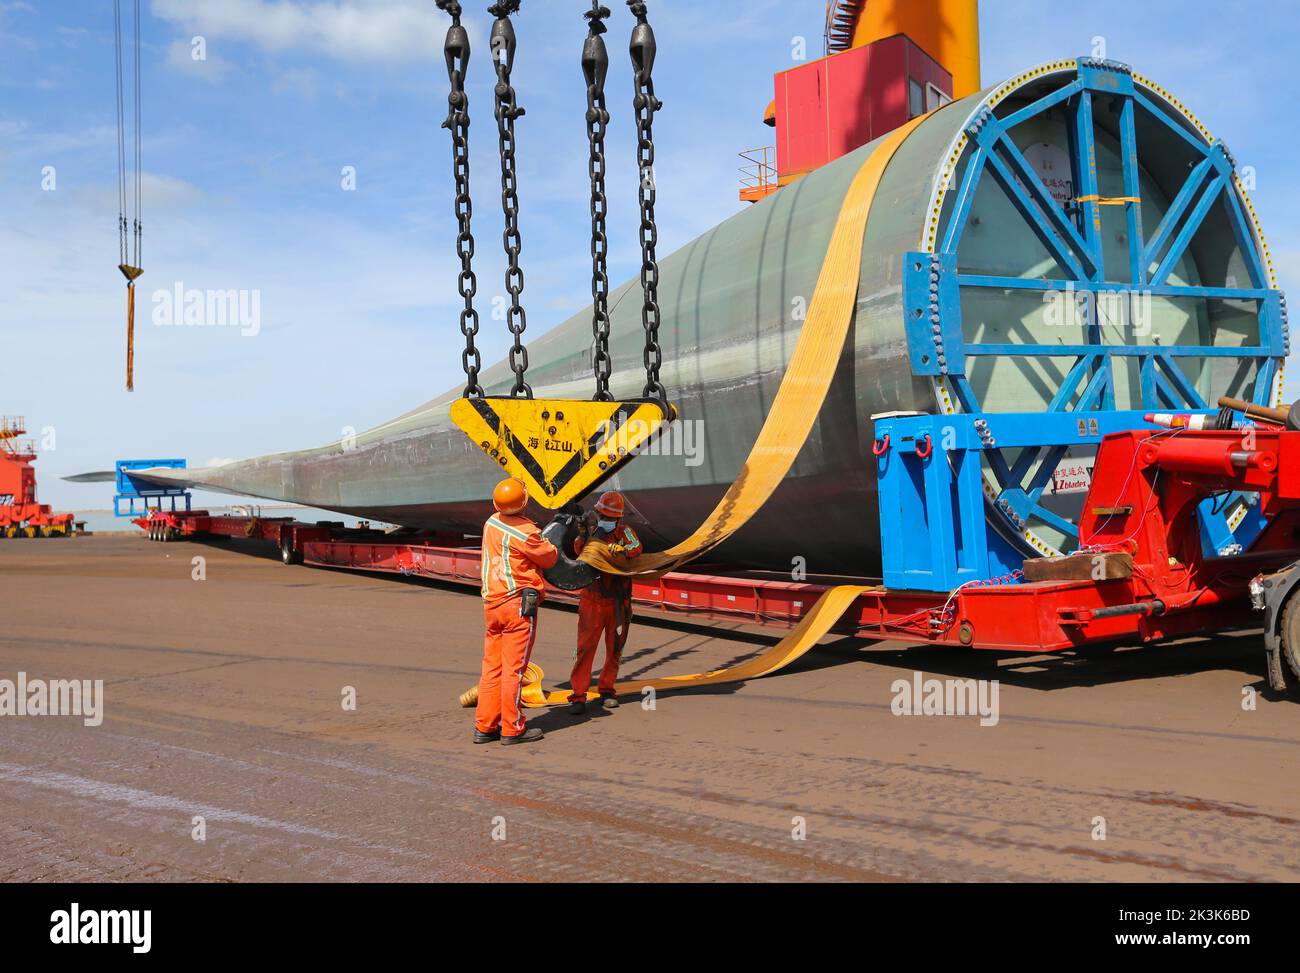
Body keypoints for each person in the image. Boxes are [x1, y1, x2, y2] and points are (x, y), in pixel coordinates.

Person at [474, 477, 558, 745]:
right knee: (514, 670)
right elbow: (550, 556)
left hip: (491, 605)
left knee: (492, 669)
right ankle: (512, 728)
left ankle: (485, 727)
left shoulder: (490, 523)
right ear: (524, 501)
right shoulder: (526, 532)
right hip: (517, 607)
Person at [568, 491, 642, 715]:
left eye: (610, 519)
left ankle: (607, 690)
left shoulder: (625, 533)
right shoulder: (590, 534)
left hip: (618, 603)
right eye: (603, 517)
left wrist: (622, 550)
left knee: (615, 650)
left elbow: (636, 548)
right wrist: (583, 535)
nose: (606, 522)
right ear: (597, 514)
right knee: (585, 649)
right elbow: (579, 551)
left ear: (618, 519)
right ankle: (578, 696)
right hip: (593, 601)